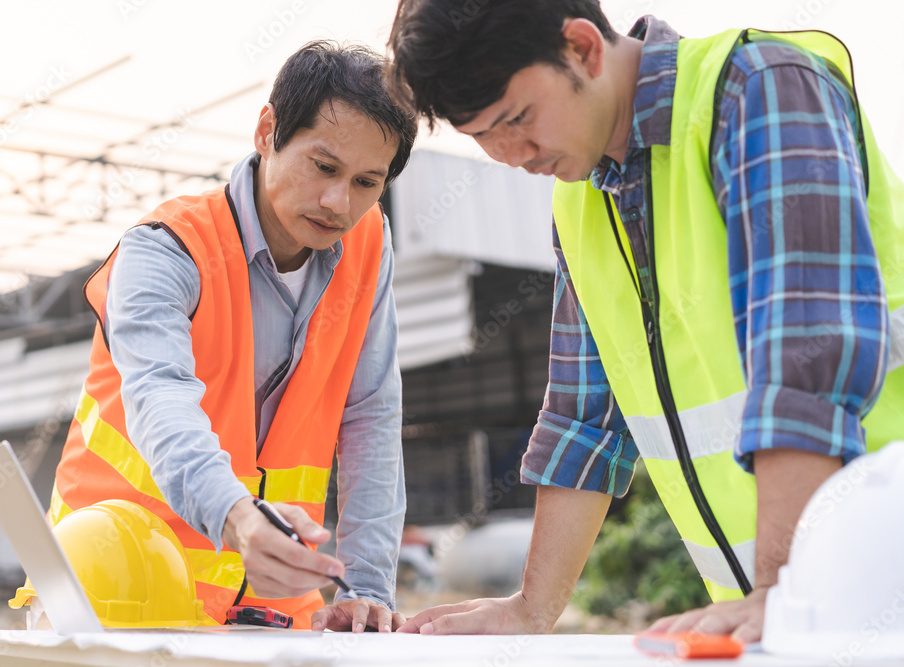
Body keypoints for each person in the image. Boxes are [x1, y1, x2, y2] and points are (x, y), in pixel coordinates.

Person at [387, 0, 903, 642]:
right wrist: (530, 609)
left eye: (517, 119)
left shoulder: (759, 88)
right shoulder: (580, 201)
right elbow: (584, 421)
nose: (510, 155)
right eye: (483, 136)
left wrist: (780, 590)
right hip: (789, 615)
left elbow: (804, 354)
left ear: (582, 47)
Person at [46, 41, 416, 631]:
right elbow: (160, 400)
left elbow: (371, 413)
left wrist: (366, 586)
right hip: (120, 585)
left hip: (273, 605)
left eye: (367, 182)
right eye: (324, 167)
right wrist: (239, 520)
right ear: (267, 129)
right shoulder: (165, 249)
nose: (337, 202)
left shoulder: (369, 245)